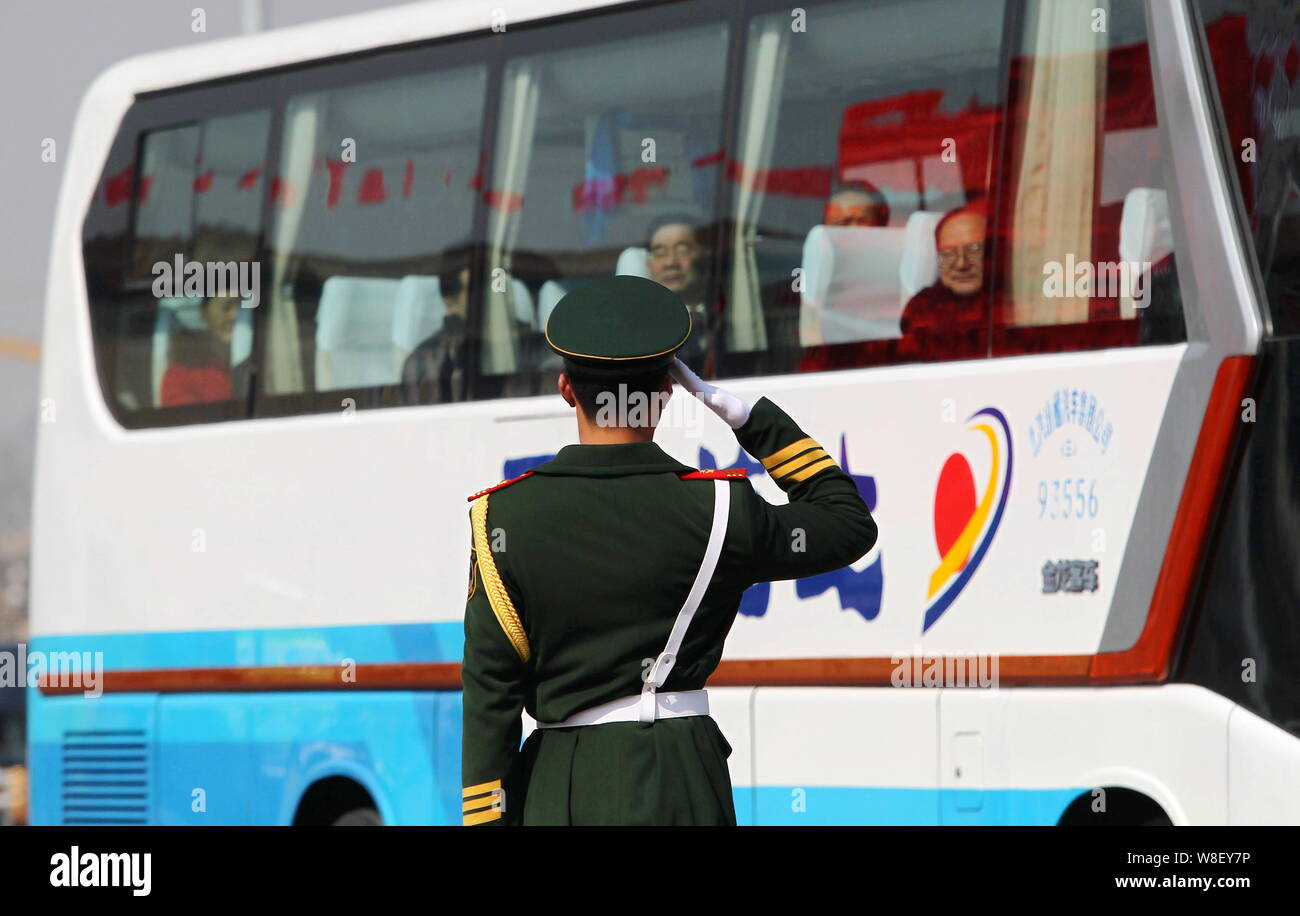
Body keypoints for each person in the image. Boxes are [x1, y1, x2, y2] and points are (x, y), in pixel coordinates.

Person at [460, 275, 878, 825]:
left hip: (560, 787)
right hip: (684, 777)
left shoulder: (502, 518)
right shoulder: (722, 508)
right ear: (666, 391)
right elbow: (849, 524)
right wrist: (747, 418)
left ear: (566, 389)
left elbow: (490, 700)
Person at [897, 199, 1002, 361]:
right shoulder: (922, 310)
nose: (961, 264)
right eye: (948, 252)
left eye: (974, 249)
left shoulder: (1016, 299)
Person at [398, 250, 472, 405]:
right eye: (475, 288)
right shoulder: (422, 364)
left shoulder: (530, 348)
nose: (494, 293)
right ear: (449, 303)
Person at [644, 214, 713, 366]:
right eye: (660, 253)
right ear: (649, 265)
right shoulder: (638, 327)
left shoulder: (730, 311)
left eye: (682, 250)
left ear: (703, 255)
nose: (670, 262)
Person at [159, 295, 245, 407]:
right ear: (204, 312)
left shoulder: (266, 355)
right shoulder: (181, 374)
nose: (235, 315)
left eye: (242, 308)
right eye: (226, 307)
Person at [823, 181, 890, 228]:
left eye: (862, 221)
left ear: (879, 223)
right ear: (827, 224)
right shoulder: (815, 247)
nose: (854, 228)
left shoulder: (895, 247)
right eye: (844, 222)